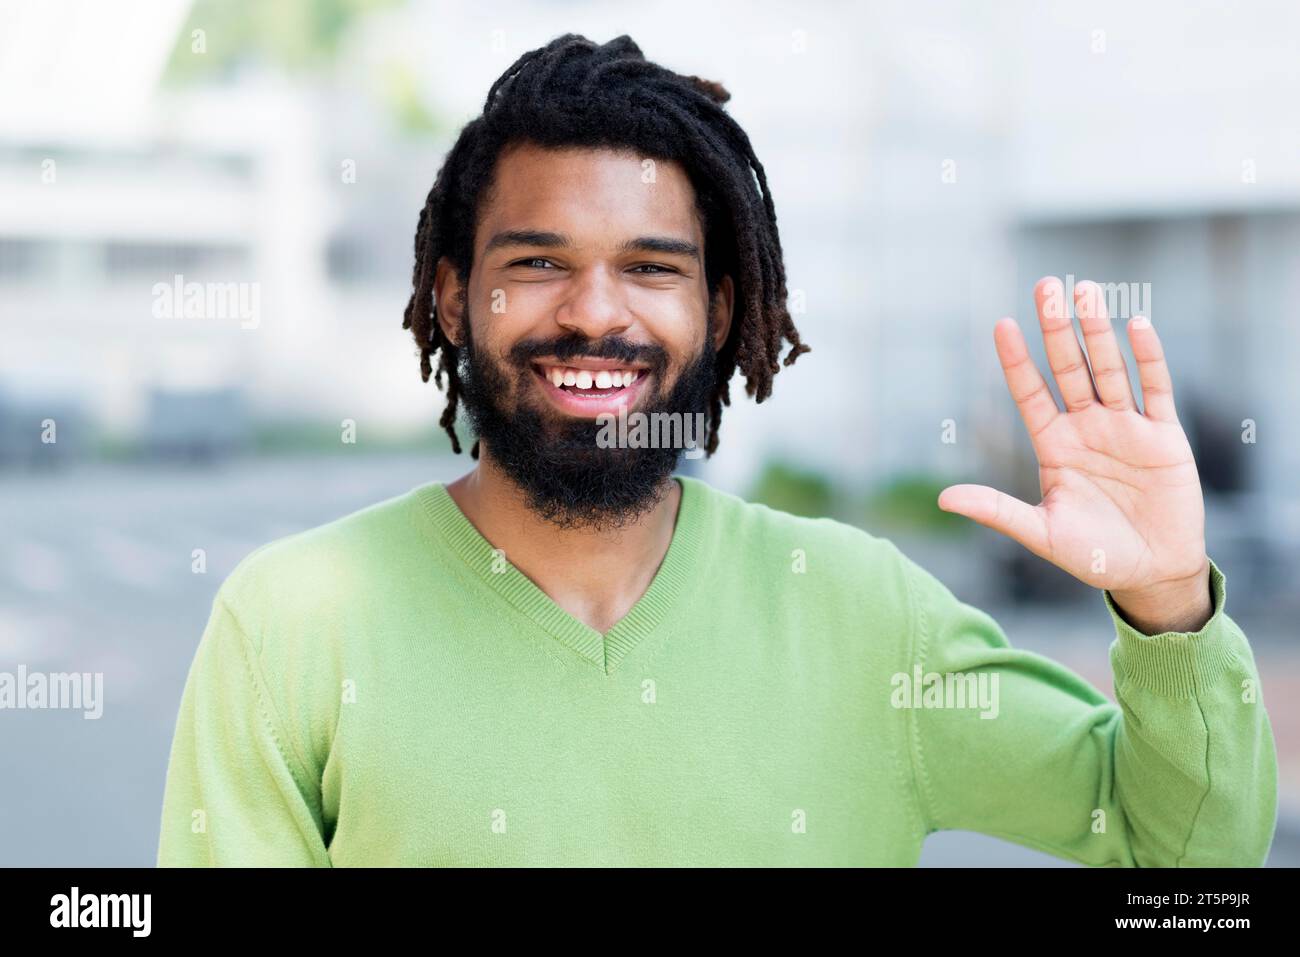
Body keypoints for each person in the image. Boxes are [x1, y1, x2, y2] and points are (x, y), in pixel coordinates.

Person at [157, 33, 1277, 867]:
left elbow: (1184, 861)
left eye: (651, 267)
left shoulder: (861, 611)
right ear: (452, 298)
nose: (595, 314)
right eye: (538, 262)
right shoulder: (293, 621)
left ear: (724, 308)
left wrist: (1169, 604)